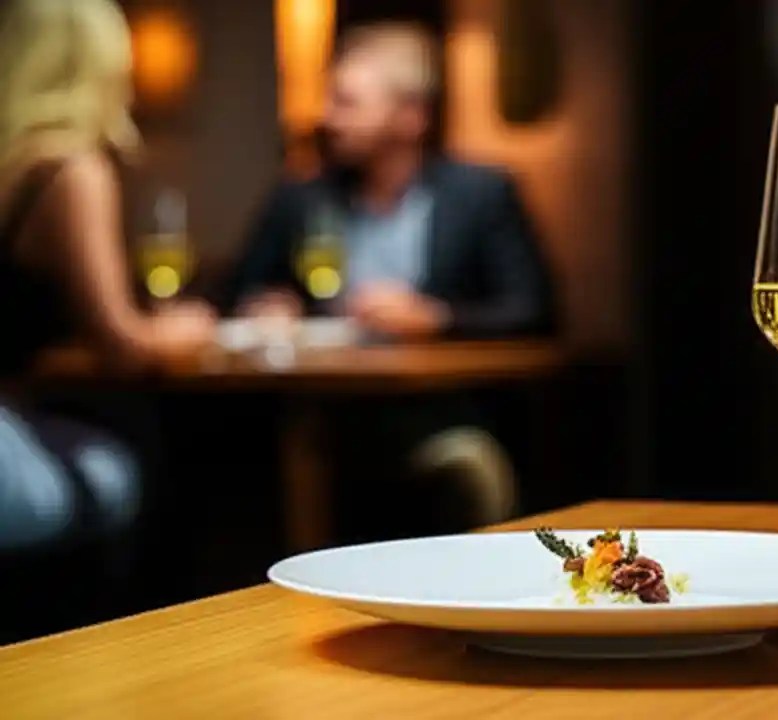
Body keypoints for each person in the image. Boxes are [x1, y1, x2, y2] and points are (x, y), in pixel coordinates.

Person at [222, 23, 554, 535]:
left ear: (411, 117)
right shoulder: (302, 197)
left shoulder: (481, 193)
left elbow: (533, 308)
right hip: (318, 405)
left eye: (348, 103)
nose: (329, 118)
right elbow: (238, 291)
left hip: (438, 403)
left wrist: (435, 317)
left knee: (446, 451)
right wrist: (268, 305)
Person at [0, 0, 215, 553]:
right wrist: (191, 327)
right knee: (169, 460)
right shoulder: (70, 169)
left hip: (17, 426)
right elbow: (123, 343)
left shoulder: (13, 164)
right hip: (22, 445)